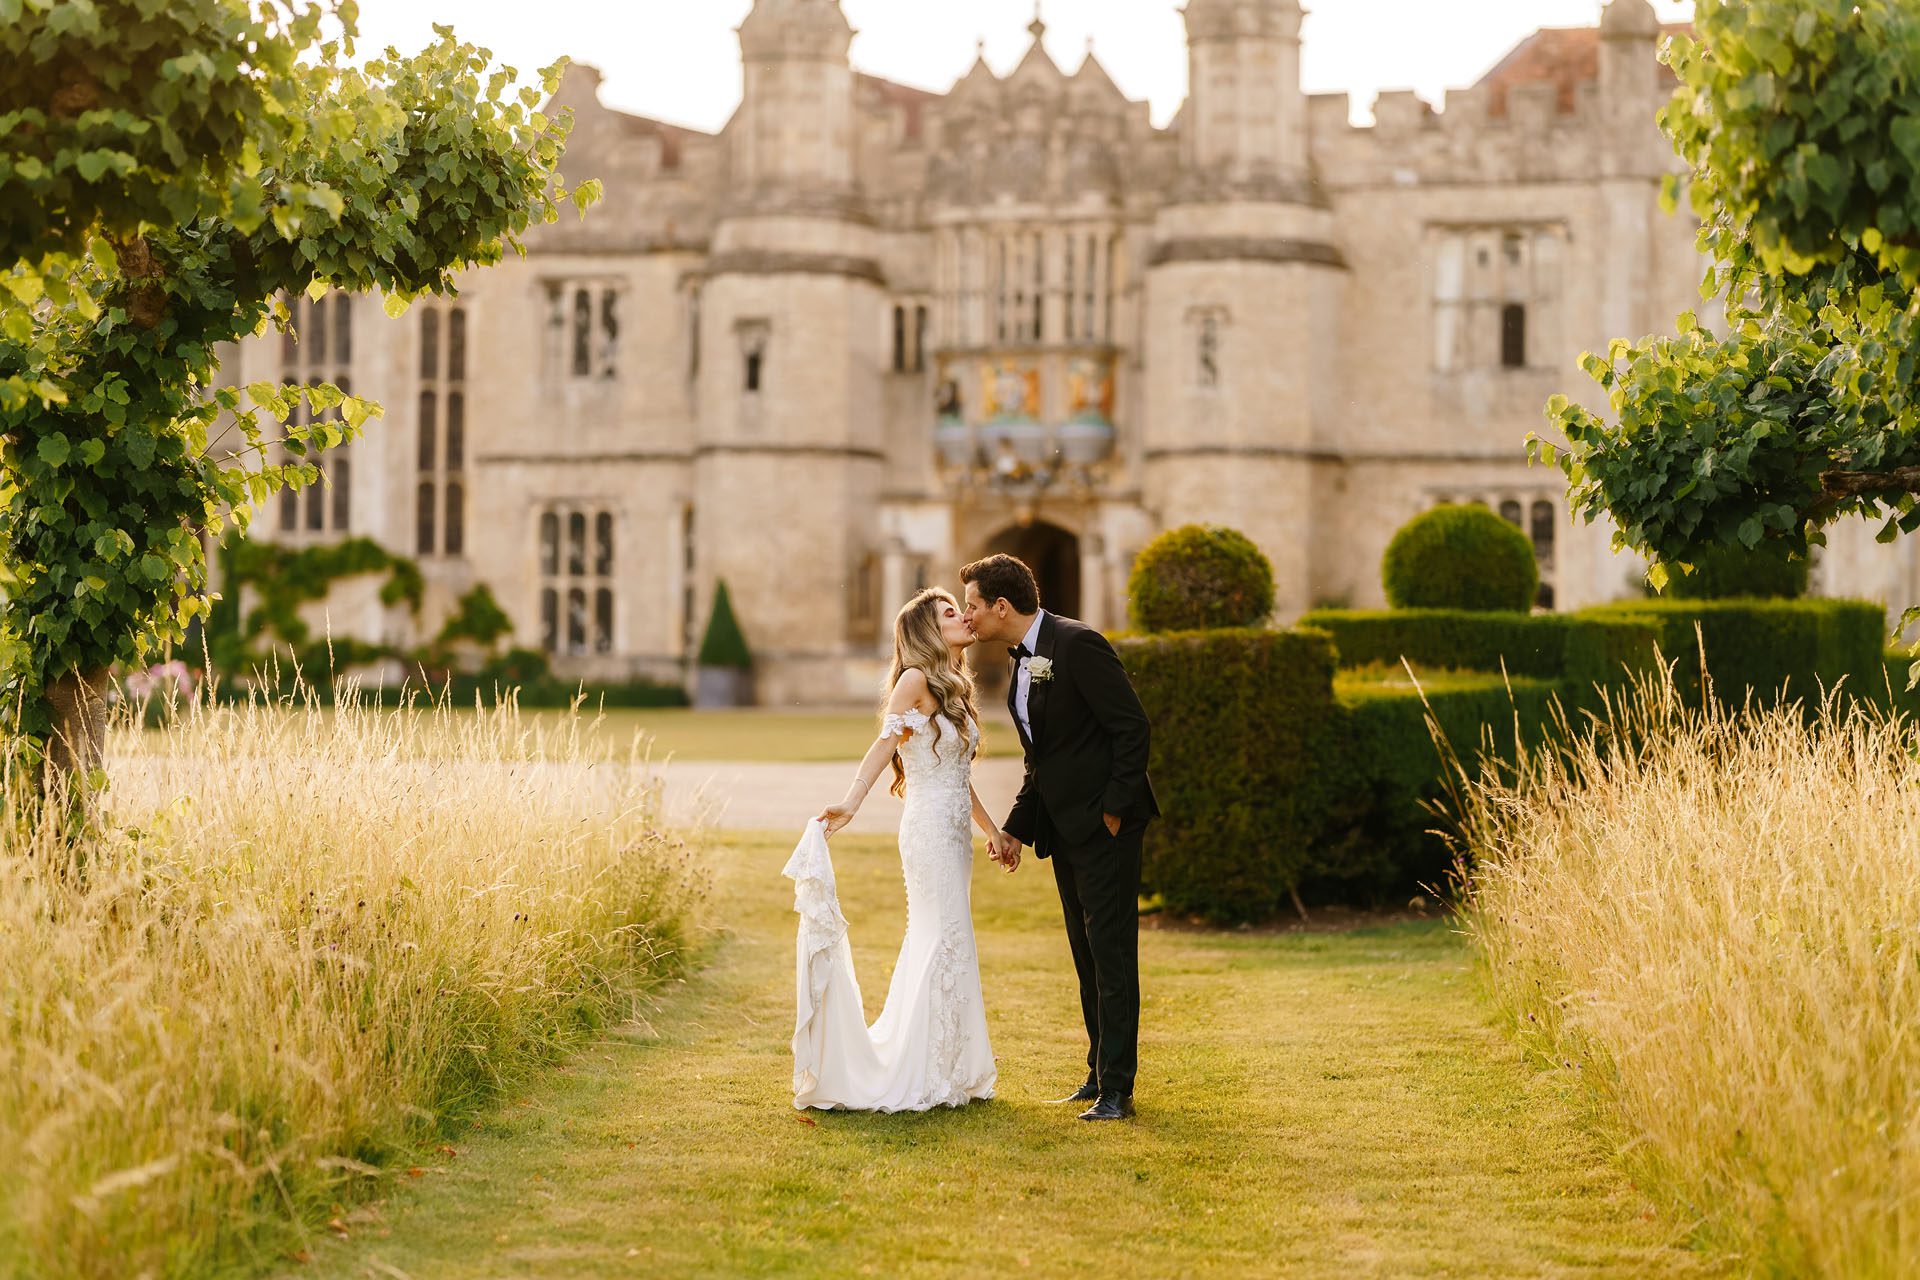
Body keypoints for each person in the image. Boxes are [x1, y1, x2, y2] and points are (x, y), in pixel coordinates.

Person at [782, 588, 1009, 1112]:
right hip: (928, 830)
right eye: (951, 612)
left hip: (954, 833)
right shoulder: (914, 681)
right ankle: (925, 1071)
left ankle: (948, 1065)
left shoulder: (954, 687)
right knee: (941, 934)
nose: (964, 617)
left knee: (949, 935)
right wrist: (851, 801)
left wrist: (992, 830)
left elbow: (959, 776)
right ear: (928, 629)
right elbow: (884, 746)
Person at [961, 554, 1159, 1121]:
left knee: (1112, 955)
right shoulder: (1021, 662)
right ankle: (1098, 1072)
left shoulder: (1078, 644)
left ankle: (1118, 1091)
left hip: (1106, 830)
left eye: (973, 605)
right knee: (1085, 954)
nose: (969, 616)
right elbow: (1042, 762)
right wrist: (1017, 831)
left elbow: (1131, 727)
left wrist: (1115, 812)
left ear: (1002, 606)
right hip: (1067, 833)